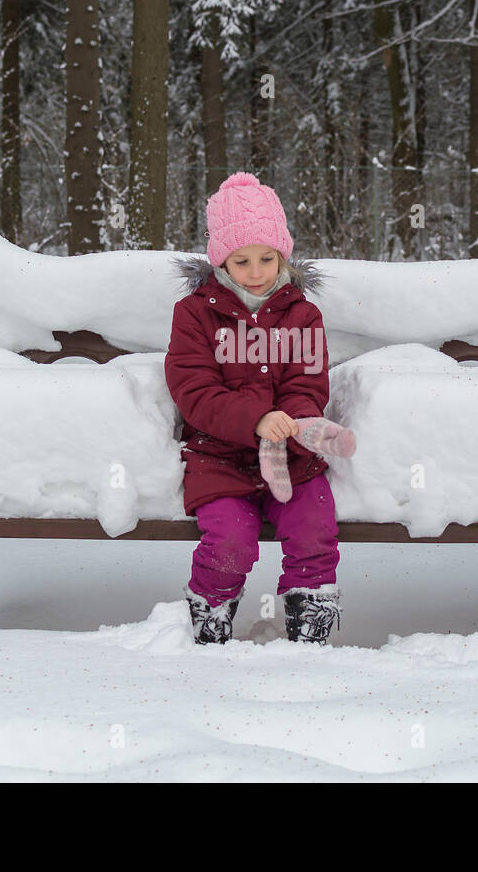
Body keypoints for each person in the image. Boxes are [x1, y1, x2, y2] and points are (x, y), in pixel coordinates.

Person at [165, 172, 347, 645]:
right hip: (218, 457)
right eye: (241, 261)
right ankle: (211, 615)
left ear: (283, 255)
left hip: (292, 456)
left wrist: (297, 420)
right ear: (220, 260)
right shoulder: (195, 315)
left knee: (314, 527)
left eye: (267, 258)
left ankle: (311, 616)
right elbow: (194, 389)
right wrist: (254, 421)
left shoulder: (301, 313)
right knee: (229, 539)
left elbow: (306, 380)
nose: (257, 271)